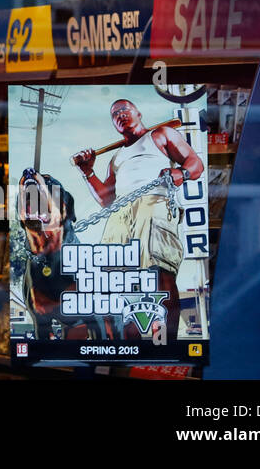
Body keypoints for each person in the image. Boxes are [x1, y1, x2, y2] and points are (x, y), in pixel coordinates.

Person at [72, 98, 204, 342]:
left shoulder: (161, 134)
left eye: (124, 109)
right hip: (120, 214)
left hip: (153, 204)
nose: (120, 115)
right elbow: (106, 200)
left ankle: (166, 346)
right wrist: (88, 172)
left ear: (138, 113)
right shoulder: (116, 158)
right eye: (114, 114)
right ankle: (126, 347)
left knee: (159, 273)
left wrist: (180, 173)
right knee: (116, 281)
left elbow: (195, 163)